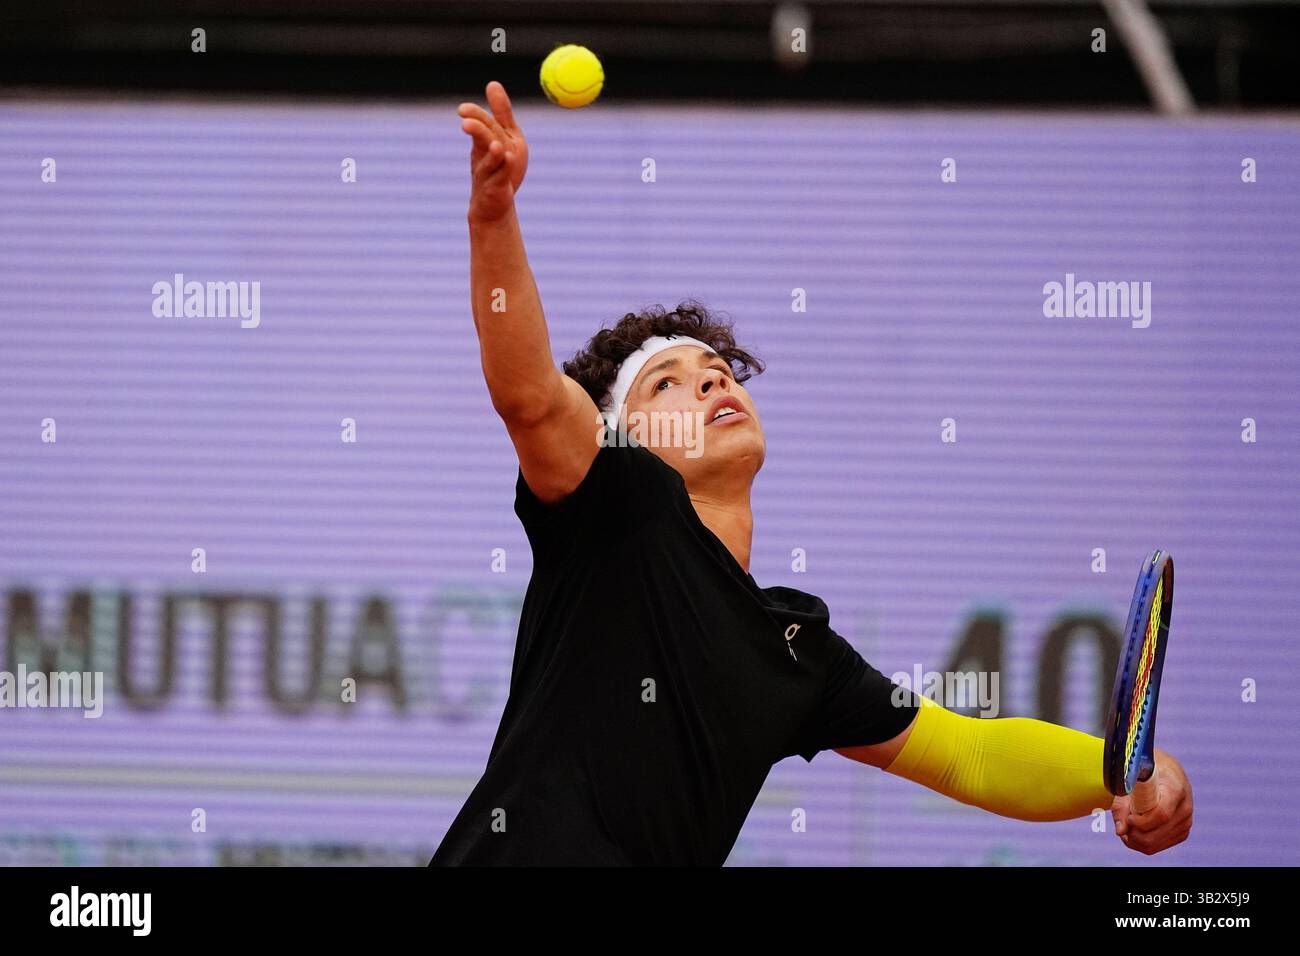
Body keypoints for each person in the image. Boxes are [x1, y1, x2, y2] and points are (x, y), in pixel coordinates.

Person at [429, 81, 1193, 865]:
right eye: (668, 383)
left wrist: (1126, 776)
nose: (713, 381)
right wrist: (493, 217)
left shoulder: (796, 653)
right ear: (622, 439)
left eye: (719, 370)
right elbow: (528, 397)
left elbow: (973, 756)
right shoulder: (622, 511)